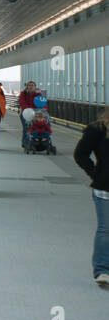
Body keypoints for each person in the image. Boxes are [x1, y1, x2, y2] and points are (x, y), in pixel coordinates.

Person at [72, 106, 109, 289]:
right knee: (105, 229)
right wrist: (95, 173)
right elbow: (80, 154)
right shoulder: (98, 129)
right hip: (105, 188)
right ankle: (103, 271)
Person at [17, 80, 38, 148]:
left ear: (35, 87)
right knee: (26, 128)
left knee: (35, 128)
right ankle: (25, 143)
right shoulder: (23, 94)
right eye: (29, 85)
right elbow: (22, 102)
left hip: (35, 113)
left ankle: (33, 142)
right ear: (27, 87)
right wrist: (28, 109)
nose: (31, 87)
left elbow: (42, 102)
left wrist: (44, 109)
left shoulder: (38, 95)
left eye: (32, 85)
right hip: (25, 114)